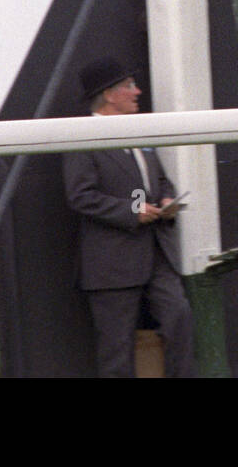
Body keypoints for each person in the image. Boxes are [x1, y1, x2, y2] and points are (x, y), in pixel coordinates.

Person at [62, 58, 196, 377]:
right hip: (111, 266)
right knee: (117, 349)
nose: (138, 92)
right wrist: (132, 212)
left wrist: (165, 198)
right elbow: (80, 195)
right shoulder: (82, 137)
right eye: (129, 86)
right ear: (109, 95)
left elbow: (159, 179)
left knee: (179, 318)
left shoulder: (139, 132)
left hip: (158, 254)